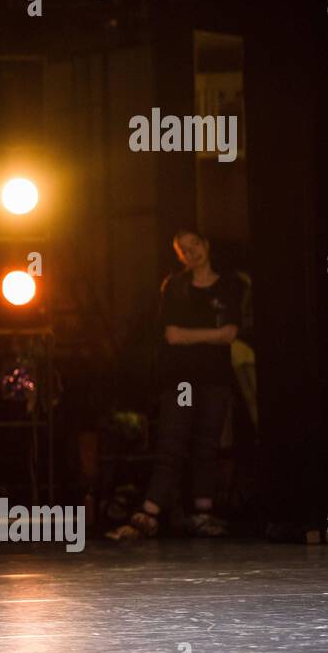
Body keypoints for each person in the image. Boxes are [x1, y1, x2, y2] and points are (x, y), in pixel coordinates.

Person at [108, 228, 243, 541]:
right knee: (172, 441)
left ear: (206, 245)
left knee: (207, 445)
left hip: (215, 378)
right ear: (179, 255)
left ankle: (202, 512)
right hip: (181, 380)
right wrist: (210, 334)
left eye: (194, 244)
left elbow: (230, 333)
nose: (191, 251)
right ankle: (150, 512)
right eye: (184, 249)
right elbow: (172, 335)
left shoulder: (230, 284)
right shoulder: (176, 285)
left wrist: (191, 335)